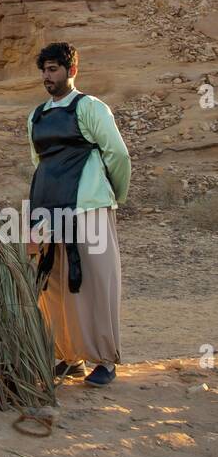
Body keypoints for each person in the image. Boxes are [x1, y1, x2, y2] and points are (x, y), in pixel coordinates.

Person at [27, 42, 131, 387]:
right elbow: (38, 161)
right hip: (47, 208)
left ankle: (105, 359)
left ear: (71, 70)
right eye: (44, 70)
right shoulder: (36, 115)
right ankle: (70, 356)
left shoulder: (90, 107)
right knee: (55, 284)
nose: (47, 76)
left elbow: (118, 155)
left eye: (53, 69)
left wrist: (112, 194)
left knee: (97, 280)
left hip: (87, 206)